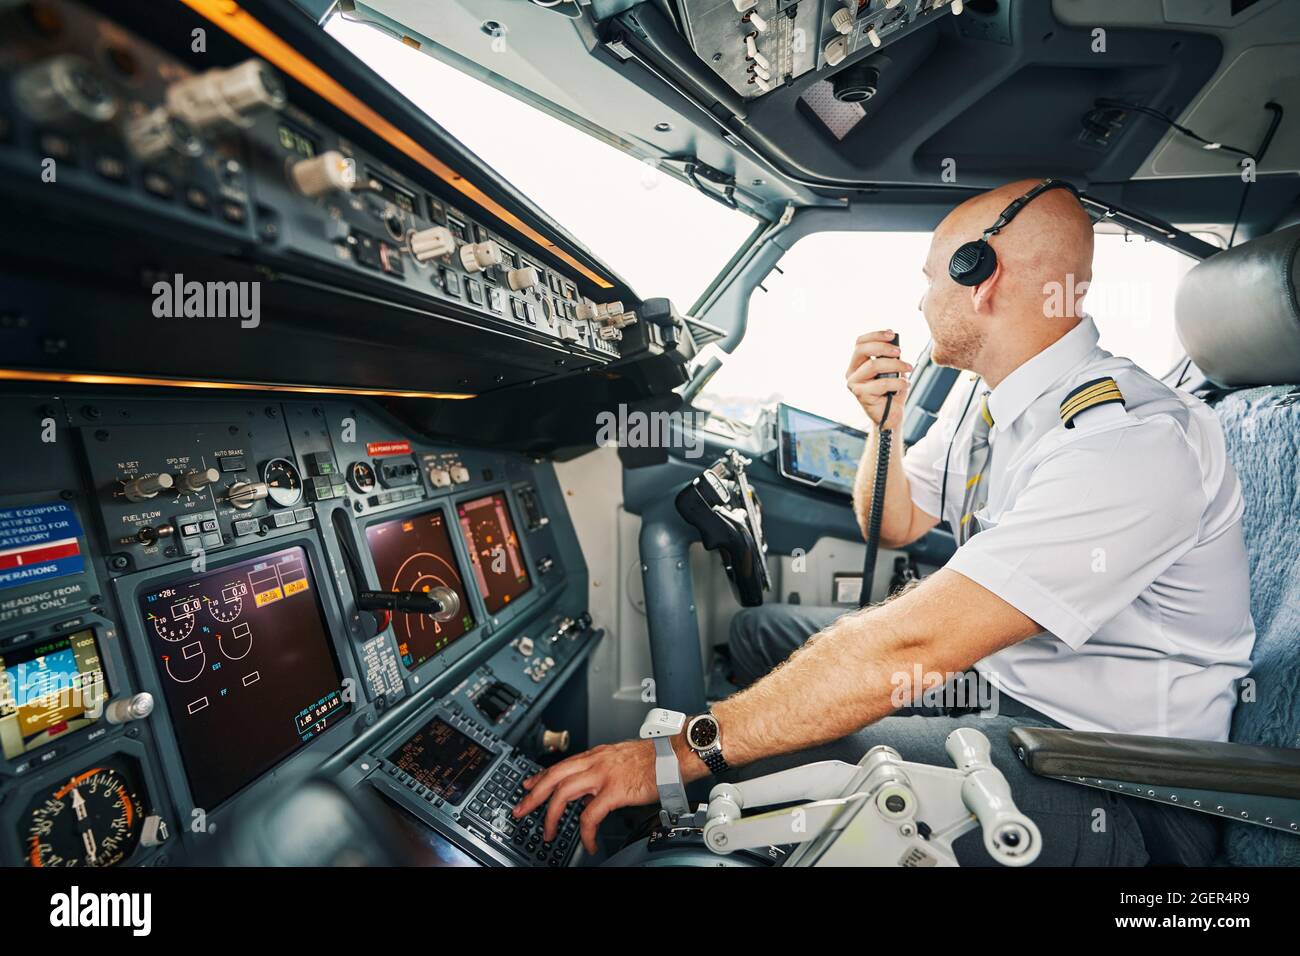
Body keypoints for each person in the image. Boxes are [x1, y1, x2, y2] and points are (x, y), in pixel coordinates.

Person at [513, 179, 1256, 865]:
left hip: (1124, 782)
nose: (925, 301)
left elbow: (917, 639)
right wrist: (885, 424)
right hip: (1010, 696)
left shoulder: (1126, 439)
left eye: (933, 279)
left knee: (759, 768)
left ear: (979, 274)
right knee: (759, 636)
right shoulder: (990, 404)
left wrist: (682, 751)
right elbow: (894, 521)